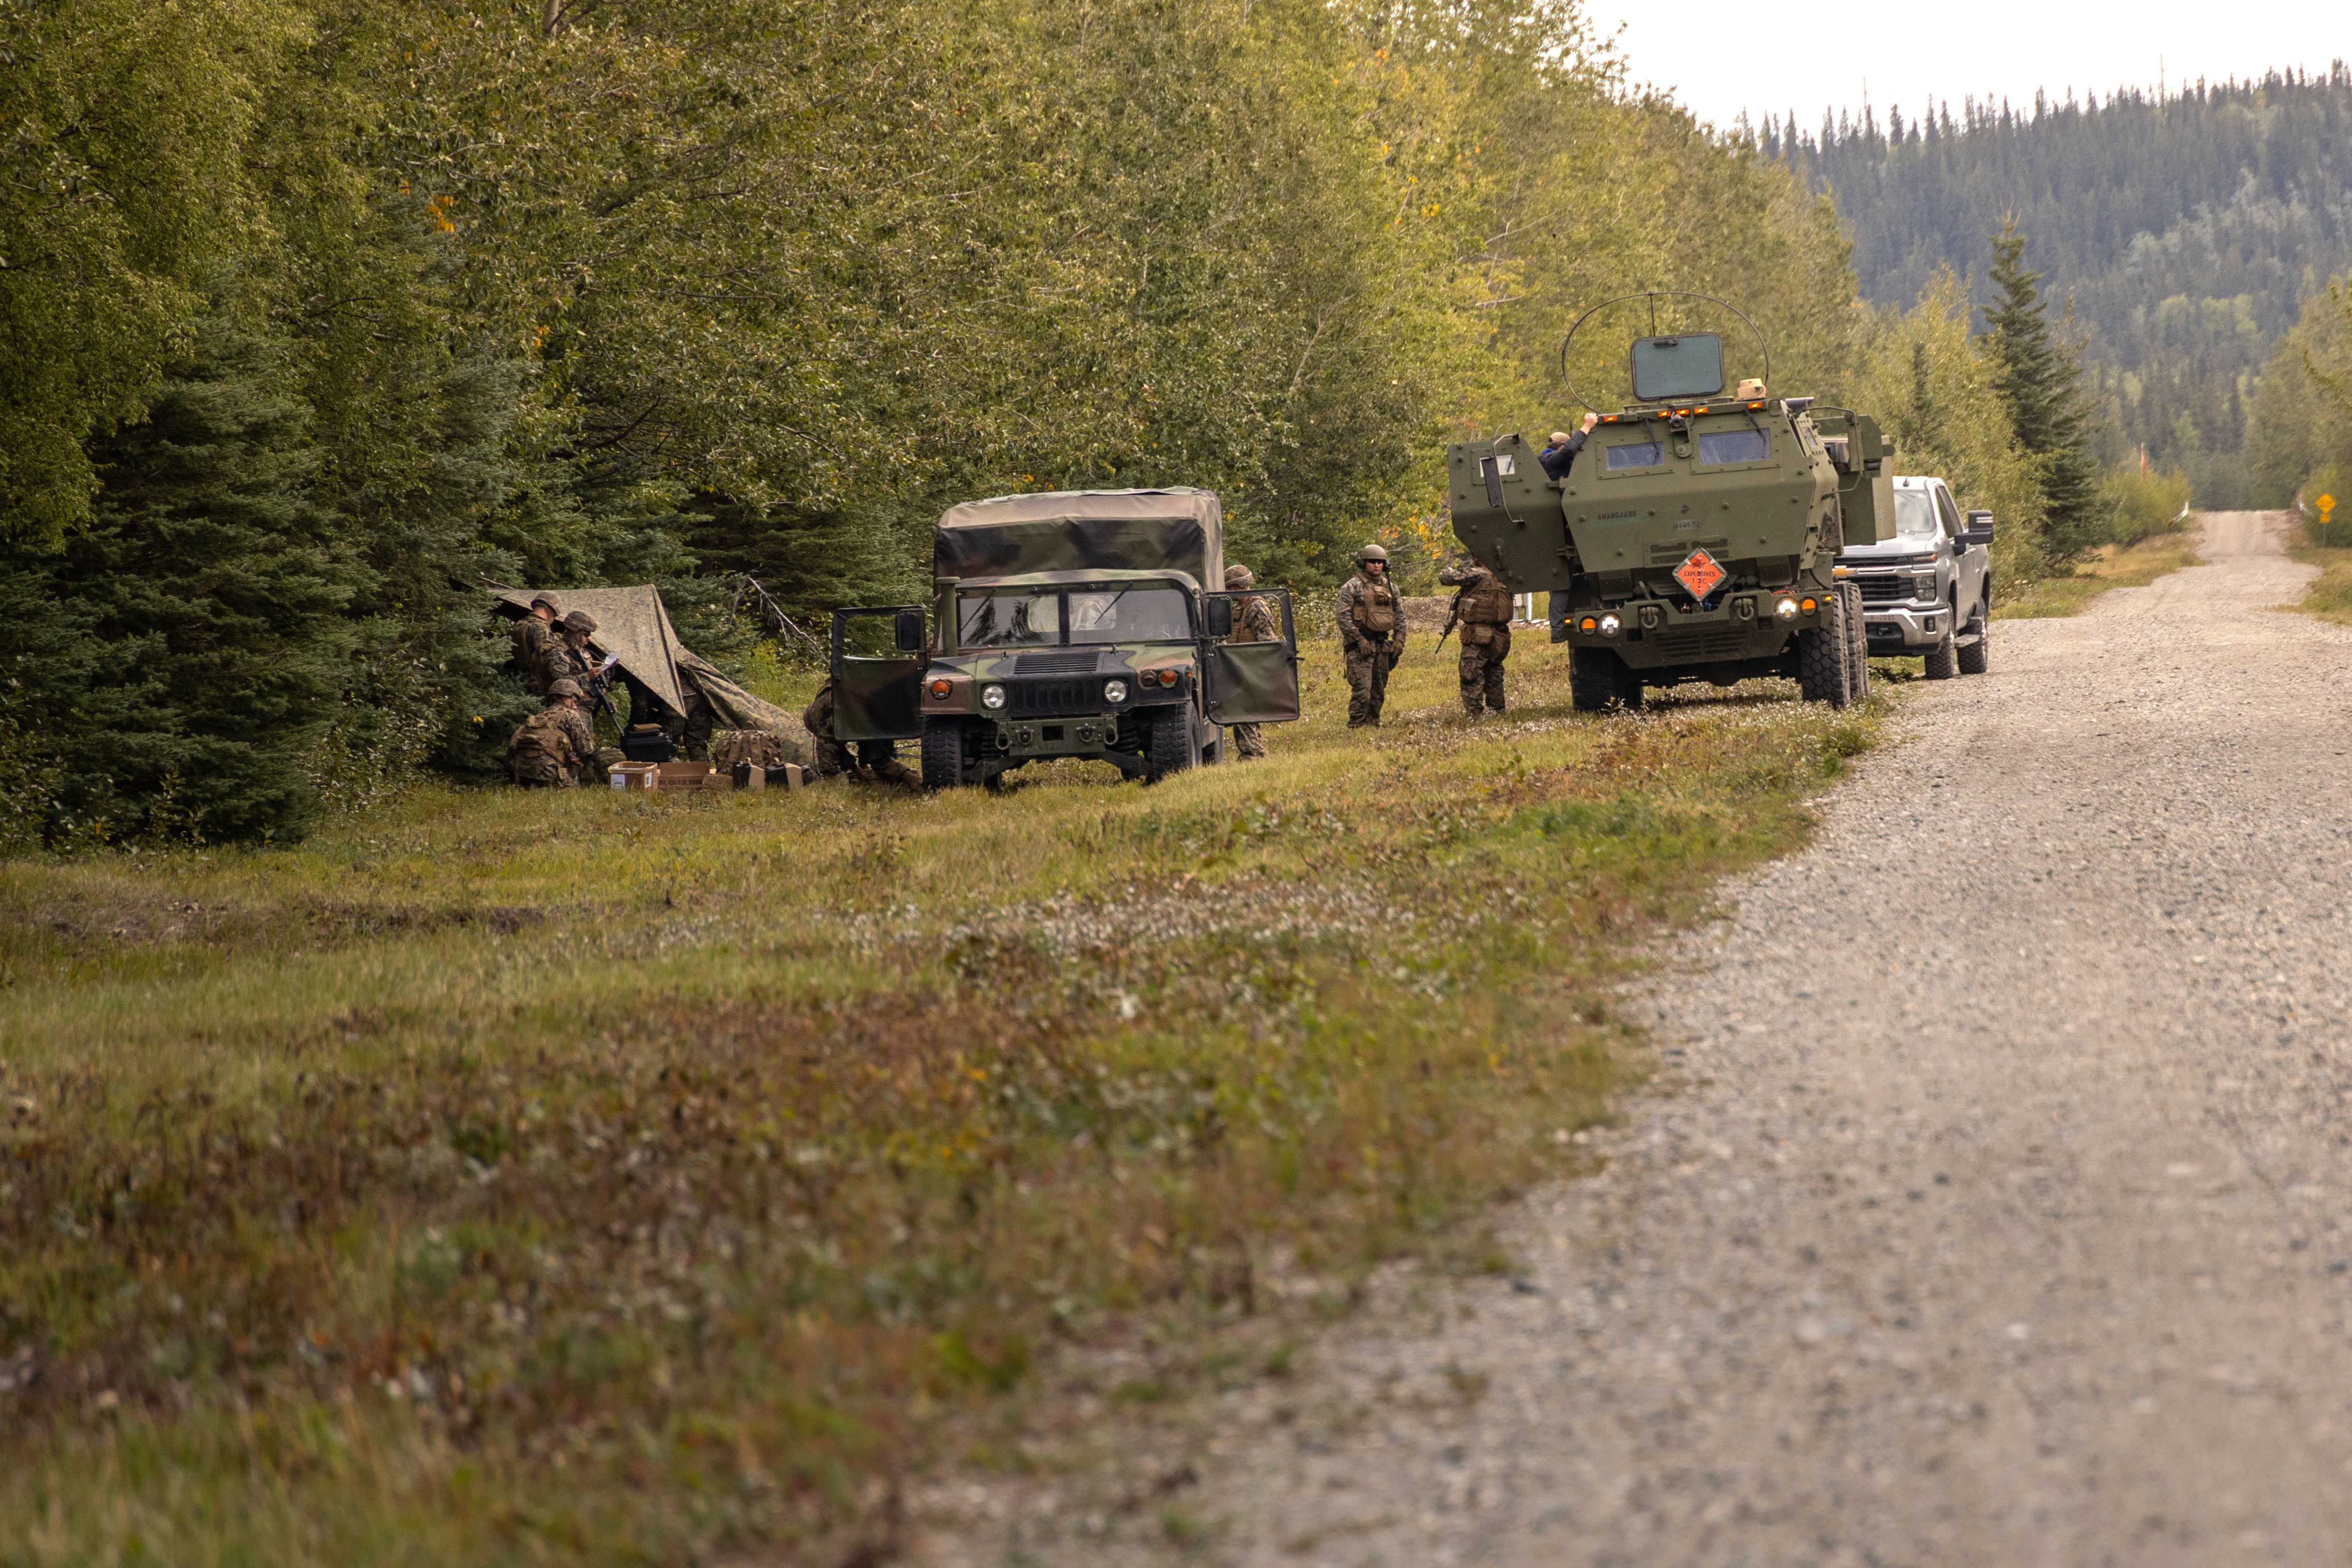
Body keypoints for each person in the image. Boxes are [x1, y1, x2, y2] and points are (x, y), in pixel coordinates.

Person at [1332, 543, 1405, 729]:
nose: (1376, 565)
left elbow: (1400, 616)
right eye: (1372, 562)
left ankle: (1373, 723)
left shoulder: (1391, 588)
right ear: (1363, 563)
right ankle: (1356, 725)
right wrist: (1359, 640)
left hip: (1382, 645)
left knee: (1379, 688)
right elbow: (1342, 617)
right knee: (1362, 689)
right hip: (1360, 646)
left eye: (1380, 562)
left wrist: (1399, 640)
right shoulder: (1352, 587)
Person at [1437, 557, 1515, 717]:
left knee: (1470, 673)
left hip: (1477, 635)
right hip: (1499, 636)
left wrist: (1449, 571)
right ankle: (1498, 710)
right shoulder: (1505, 576)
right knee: (1494, 672)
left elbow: (1445, 578)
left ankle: (1474, 713)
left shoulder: (1477, 574)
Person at [801, 680, 916, 784]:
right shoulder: (828, 714)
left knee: (829, 746)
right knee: (879, 759)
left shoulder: (823, 713)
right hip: (877, 709)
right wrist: (856, 769)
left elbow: (831, 748)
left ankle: (832, 785)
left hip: (865, 709)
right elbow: (838, 750)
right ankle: (913, 779)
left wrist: (832, 774)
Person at [1221, 563, 1280, 759]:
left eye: (1234, 588)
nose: (1230, 592)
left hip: (1253, 669)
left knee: (1245, 714)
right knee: (1241, 715)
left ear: (1244, 586)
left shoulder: (1258, 607)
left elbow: (1268, 643)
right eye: (1228, 588)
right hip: (1240, 669)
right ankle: (1250, 753)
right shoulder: (1239, 609)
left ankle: (1253, 754)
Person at [507, 678, 597, 786]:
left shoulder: (541, 715)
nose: (575, 707)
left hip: (521, 773)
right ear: (565, 699)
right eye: (575, 702)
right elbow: (586, 750)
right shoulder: (570, 715)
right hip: (548, 773)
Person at [509, 593, 562, 693]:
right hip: (533, 686)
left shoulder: (521, 623)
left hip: (515, 677)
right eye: (555, 615)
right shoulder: (541, 628)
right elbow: (546, 660)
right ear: (551, 611)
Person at [1538, 411, 1602, 481]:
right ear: (1562, 447)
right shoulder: (1551, 461)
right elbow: (1569, 450)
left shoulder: (1543, 460)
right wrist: (1587, 426)